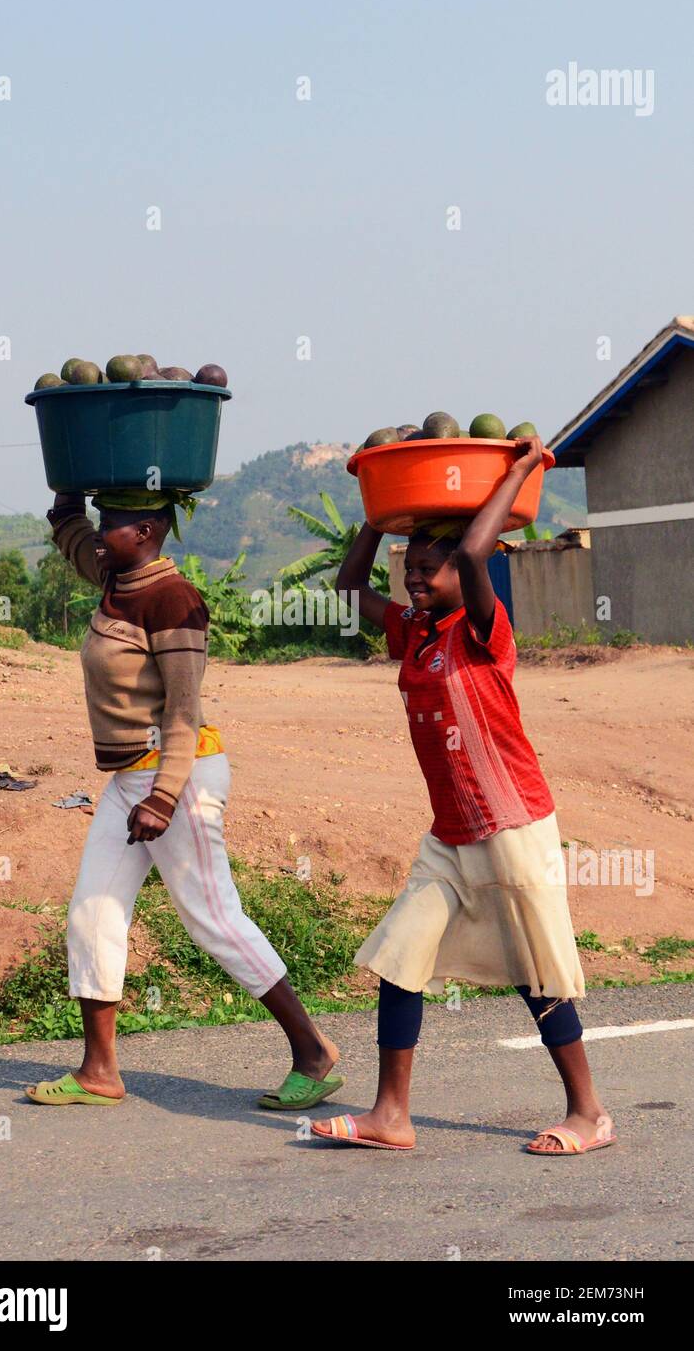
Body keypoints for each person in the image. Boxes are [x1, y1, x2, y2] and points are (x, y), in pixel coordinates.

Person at [312, 437, 615, 1155]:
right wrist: (376, 515)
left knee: (537, 976)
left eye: (427, 569)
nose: (414, 580)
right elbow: (348, 587)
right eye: (409, 569)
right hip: (450, 834)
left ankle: (591, 1113)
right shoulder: (412, 631)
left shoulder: (484, 630)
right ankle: (392, 1115)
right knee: (400, 956)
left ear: (458, 573)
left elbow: (479, 556)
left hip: (510, 822)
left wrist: (515, 473)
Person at [26, 489, 343, 1110]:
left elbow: (183, 710)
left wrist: (165, 796)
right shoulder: (116, 576)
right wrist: (68, 495)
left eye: (111, 524)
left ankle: (312, 1050)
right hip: (128, 783)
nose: (100, 533)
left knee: (213, 918)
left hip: (179, 776)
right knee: (92, 914)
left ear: (144, 532)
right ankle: (100, 1070)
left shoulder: (175, 601)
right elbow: (72, 538)